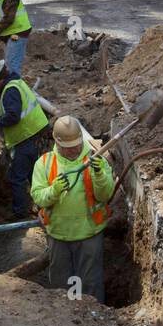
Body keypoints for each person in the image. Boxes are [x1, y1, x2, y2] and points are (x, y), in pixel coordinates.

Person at [30, 116, 116, 303]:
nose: (73, 150)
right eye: (67, 147)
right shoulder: (44, 163)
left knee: (90, 282)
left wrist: (100, 175)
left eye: (76, 145)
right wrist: (54, 191)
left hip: (89, 233)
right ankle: (66, 322)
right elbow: (38, 197)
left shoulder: (95, 160)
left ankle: (94, 319)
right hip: (58, 234)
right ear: (57, 142)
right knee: (62, 284)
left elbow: (105, 195)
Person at [0, 58, 48, 219]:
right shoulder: (14, 83)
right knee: (33, 174)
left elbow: (12, 117)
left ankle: (20, 212)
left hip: (27, 136)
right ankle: (44, 205)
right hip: (34, 133)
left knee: (17, 177)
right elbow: (5, 109)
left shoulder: (10, 89)